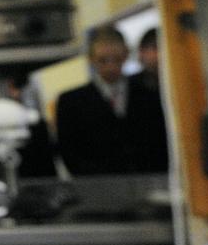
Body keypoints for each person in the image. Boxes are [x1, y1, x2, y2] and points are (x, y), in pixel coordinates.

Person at [55, 26, 170, 176]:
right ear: (91, 59)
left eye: (117, 59)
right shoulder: (71, 102)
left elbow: (161, 144)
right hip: (98, 183)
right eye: (103, 60)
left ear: (126, 56)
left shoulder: (150, 96)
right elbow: (70, 153)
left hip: (147, 180)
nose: (110, 67)